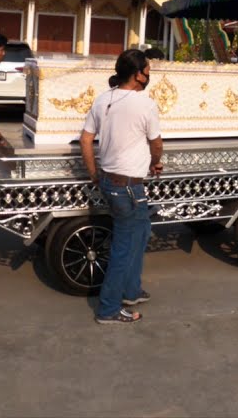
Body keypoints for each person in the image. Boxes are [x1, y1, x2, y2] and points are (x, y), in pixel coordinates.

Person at [80, 49, 163, 325]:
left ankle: (131, 290)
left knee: (141, 231)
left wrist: (94, 174)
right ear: (138, 75)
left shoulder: (104, 99)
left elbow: (85, 139)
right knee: (123, 247)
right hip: (128, 187)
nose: (149, 75)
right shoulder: (145, 104)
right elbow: (157, 142)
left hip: (109, 181)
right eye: (147, 71)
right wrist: (156, 161)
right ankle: (108, 309)